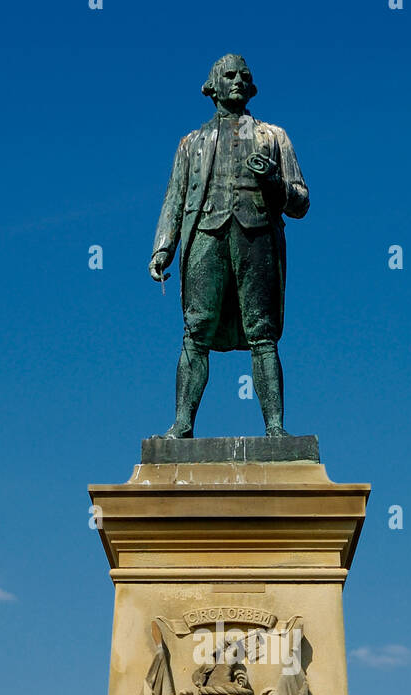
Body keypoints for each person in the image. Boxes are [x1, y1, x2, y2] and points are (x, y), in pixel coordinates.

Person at [149, 54, 309, 437]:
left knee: (263, 332)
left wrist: (273, 182)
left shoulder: (273, 137)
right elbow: (174, 197)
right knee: (196, 330)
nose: (238, 80)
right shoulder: (191, 143)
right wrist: (162, 248)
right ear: (212, 87)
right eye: (229, 75)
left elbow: (300, 201)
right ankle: (183, 424)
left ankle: (275, 430)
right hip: (206, 233)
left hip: (256, 236)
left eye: (245, 76)